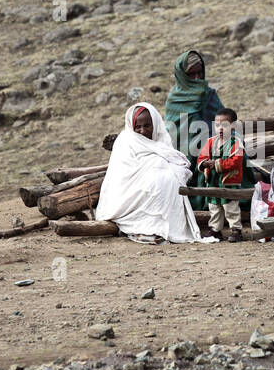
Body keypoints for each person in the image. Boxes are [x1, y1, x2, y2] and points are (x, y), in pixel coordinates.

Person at [95, 103, 214, 244]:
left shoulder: (162, 139)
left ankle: (162, 226)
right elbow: (124, 171)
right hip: (129, 191)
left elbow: (173, 160)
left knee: (168, 178)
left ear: (155, 125)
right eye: (137, 127)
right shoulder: (125, 140)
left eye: (147, 126)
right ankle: (145, 225)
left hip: (156, 182)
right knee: (157, 180)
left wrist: (161, 166)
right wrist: (156, 164)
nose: (142, 130)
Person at [163, 50, 225, 211]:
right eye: (192, 74)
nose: (197, 78)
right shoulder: (174, 100)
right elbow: (173, 133)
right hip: (184, 155)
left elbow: (224, 123)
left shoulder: (209, 95)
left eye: (200, 73)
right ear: (182, 75)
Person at [196, 107, 245, 242]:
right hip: (213, 181)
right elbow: (202, 157)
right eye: (217, 125)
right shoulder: (211, 142)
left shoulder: (237, 144)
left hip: (229, 181)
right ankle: (215, 230)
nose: (220, 129)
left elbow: (236, 161)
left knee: (230, 207)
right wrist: (205, 163)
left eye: (225, 125)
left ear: (233, 126)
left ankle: (236, 230)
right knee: (214, 206)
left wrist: (216, 164)